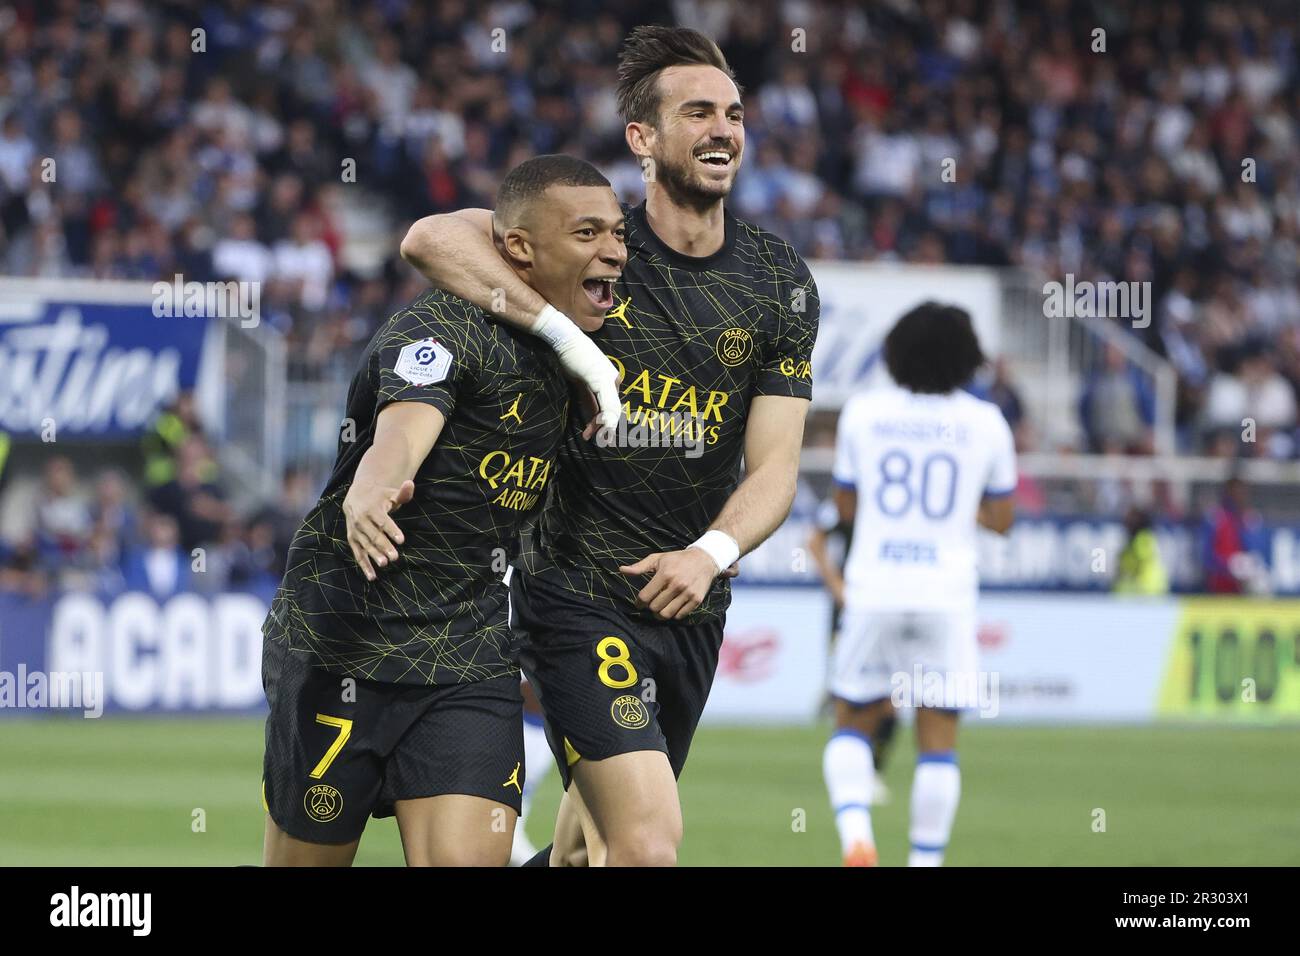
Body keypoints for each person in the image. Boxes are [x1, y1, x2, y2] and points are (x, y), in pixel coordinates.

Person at [400, 25, 818, 866]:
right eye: (697, 111)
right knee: (648, 847)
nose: (724, 129)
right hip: (576, 596)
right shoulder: (589, 244)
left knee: (587, 853)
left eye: (733, 113)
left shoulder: (780, 282)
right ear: (643, 138)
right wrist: (570, 340)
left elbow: (775, 468)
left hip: (691, 604)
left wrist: (712, 551)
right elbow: (429, 238)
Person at [260, 155, 625, 866]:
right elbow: (402, 431)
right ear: (519, 248)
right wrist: (375, 485)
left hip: (467, 651)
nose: (613, 248)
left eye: (617, 233)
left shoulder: (592, 327)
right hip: (345, 641)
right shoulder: (444, 328)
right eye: (587, 232)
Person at [823, 302, 1016, 867]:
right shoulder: (987, 422)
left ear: (897, 353)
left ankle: (857, 836)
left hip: (874, 587)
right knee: (938, 743)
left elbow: (845, 504)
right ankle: (925, 862)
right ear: (968, 359)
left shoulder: (864, 413)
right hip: (945, 593)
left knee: (853, 722)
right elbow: (1002, 520)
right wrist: (959, 512)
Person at [805, 497, 895, 803]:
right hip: (853, 610)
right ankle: (849, 774)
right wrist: (838, 587)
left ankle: (871, 772)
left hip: (892, 605)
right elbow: (814, 540)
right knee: (852, 697)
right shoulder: (848, 497)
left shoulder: (895, 502)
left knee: (890, 698)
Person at [1112, 507, 1169, 595]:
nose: (1126, 522)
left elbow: (1142, 562)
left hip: (1147, 588)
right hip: (1149, 588)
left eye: (1131, 519)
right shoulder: (1140, 539)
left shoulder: (1143, 539)